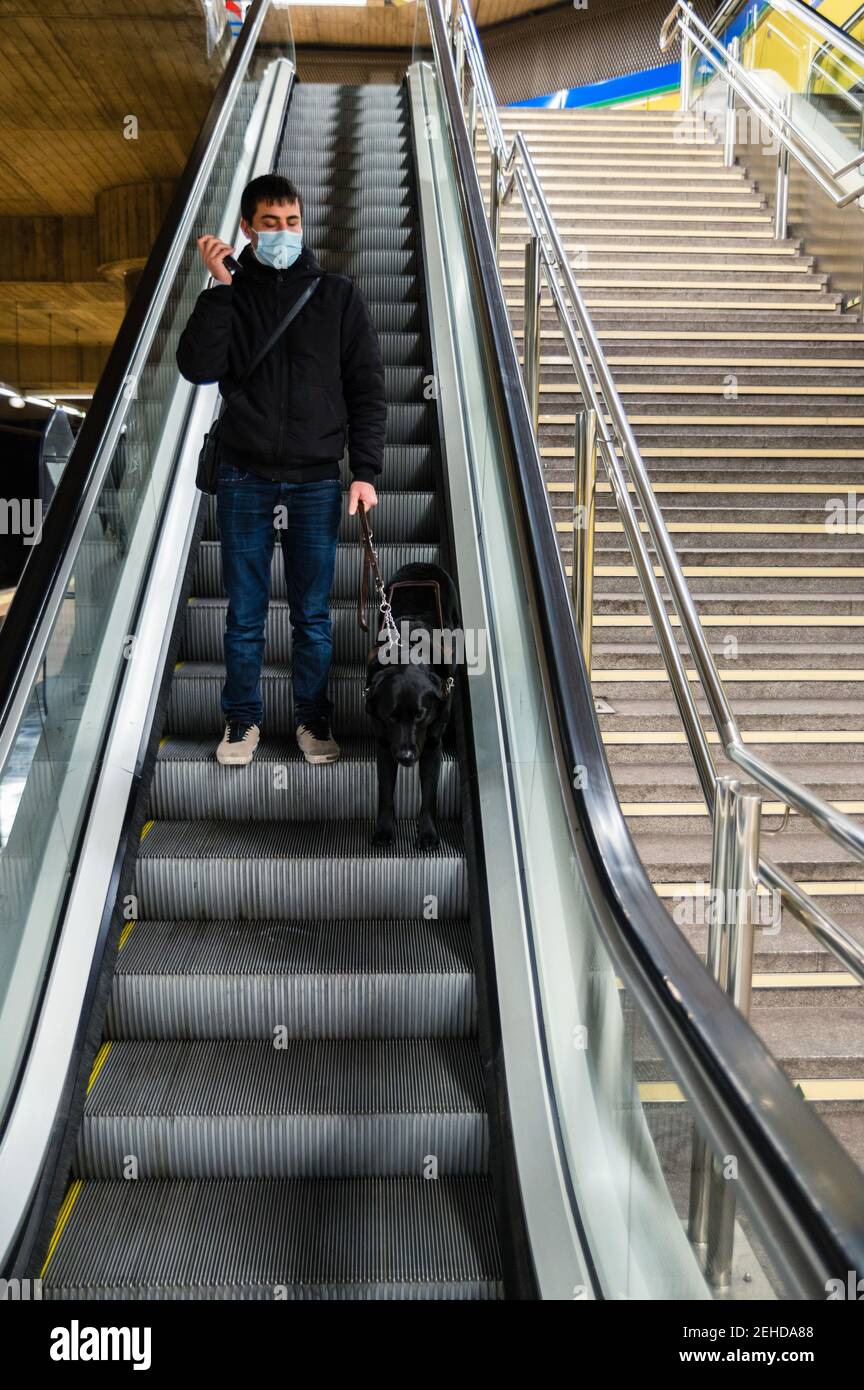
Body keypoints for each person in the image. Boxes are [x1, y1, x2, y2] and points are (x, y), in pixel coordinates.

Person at [176, 173, 386, 766]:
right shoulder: (230, 294)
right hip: (244, 475)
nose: (283, 232)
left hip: (317, 479)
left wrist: (365, 471)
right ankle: (241, 722)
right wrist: (219, 289)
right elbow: (196, 366)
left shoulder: (337, 295)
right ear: (247, 227)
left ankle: (312, 722)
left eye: (291, 222)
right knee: (244, 615)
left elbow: (366, 388)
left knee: (311, 615)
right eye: (270, 223)